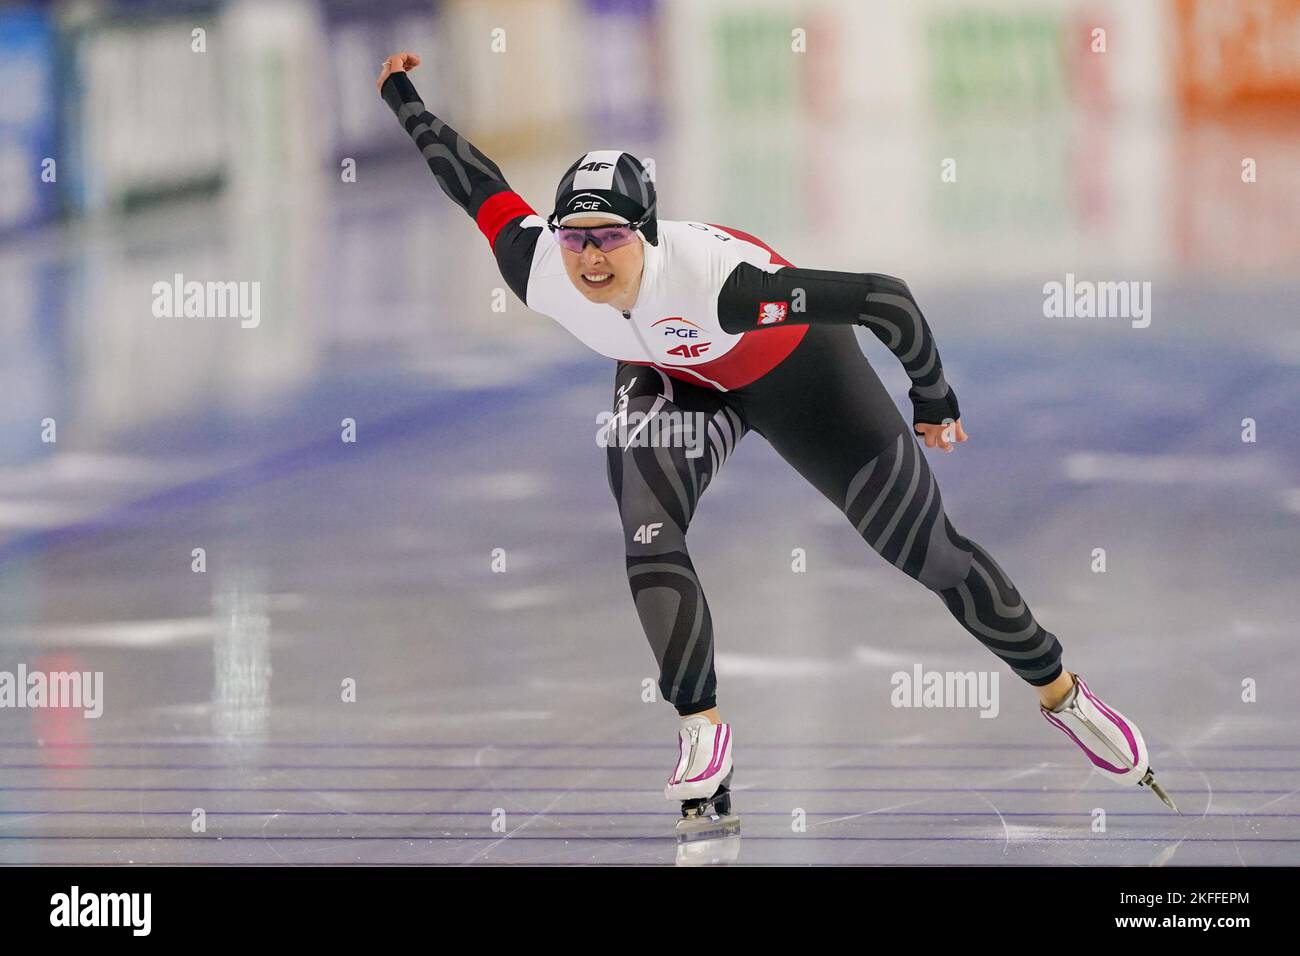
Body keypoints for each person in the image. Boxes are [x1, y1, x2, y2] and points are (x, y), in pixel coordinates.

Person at [376, 52, 1179, 828]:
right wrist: (404, 101)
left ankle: (1064, 694)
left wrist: (932, 397)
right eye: (576, 236)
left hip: (796, 374)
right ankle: (702, 731)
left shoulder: (722, 287)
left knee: (927, 552)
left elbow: (884, 299)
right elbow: (473, 180)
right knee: (650, 538)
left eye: (611, 236)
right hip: (670, 378)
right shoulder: (539, 267)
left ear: (647, 235)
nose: (590, 257)